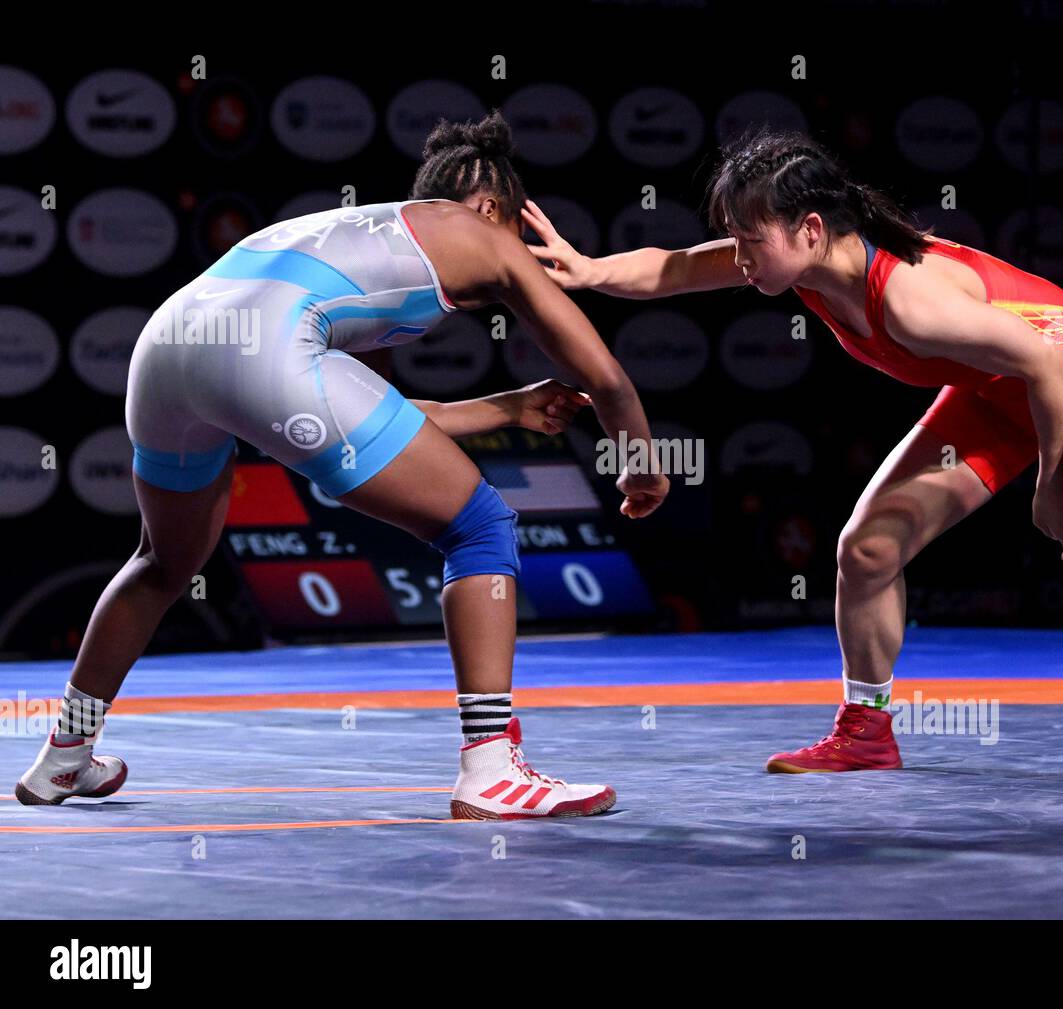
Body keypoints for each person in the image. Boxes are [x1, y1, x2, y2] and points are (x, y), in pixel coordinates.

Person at [520, 128, 1063, 788]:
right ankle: (866, 730)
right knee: (869, 547)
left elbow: (1046, 361)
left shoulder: (910, 297)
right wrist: (587, 270)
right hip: (994, 391)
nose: (740, 257)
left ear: (809, 228)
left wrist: (1051, 485)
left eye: (750, 240)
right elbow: (678, 266)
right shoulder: (800, 263)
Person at [16, 111, 670, 819]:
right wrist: (640, 462)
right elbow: (605, 377)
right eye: (516, 229)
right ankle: (489, 767)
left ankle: (64, 753)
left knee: (160, 563)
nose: (520, 252)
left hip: (168, 344)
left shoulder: (362, 229)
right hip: (264, 351)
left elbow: (354, 407)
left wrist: (506, 409)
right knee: (480, 526)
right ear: (489, 209)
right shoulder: (481, 233)